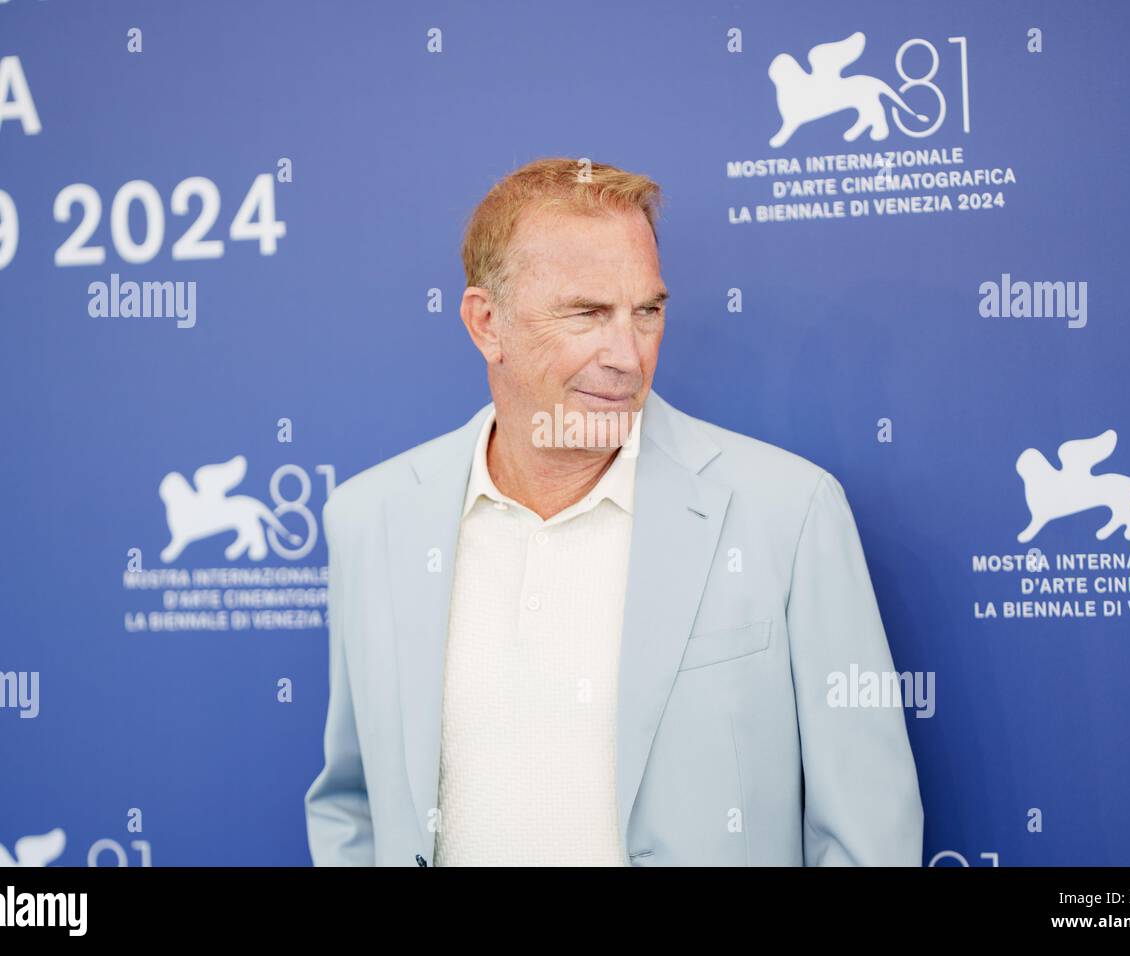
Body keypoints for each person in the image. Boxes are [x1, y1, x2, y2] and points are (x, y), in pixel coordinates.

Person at [305, 157, 923, 866]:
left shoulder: (788, 511)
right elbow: (352, 805)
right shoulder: (371, 520)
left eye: (648, 312)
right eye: (587, 314)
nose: (628, 356)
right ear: (486, 324)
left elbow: (867, 833)